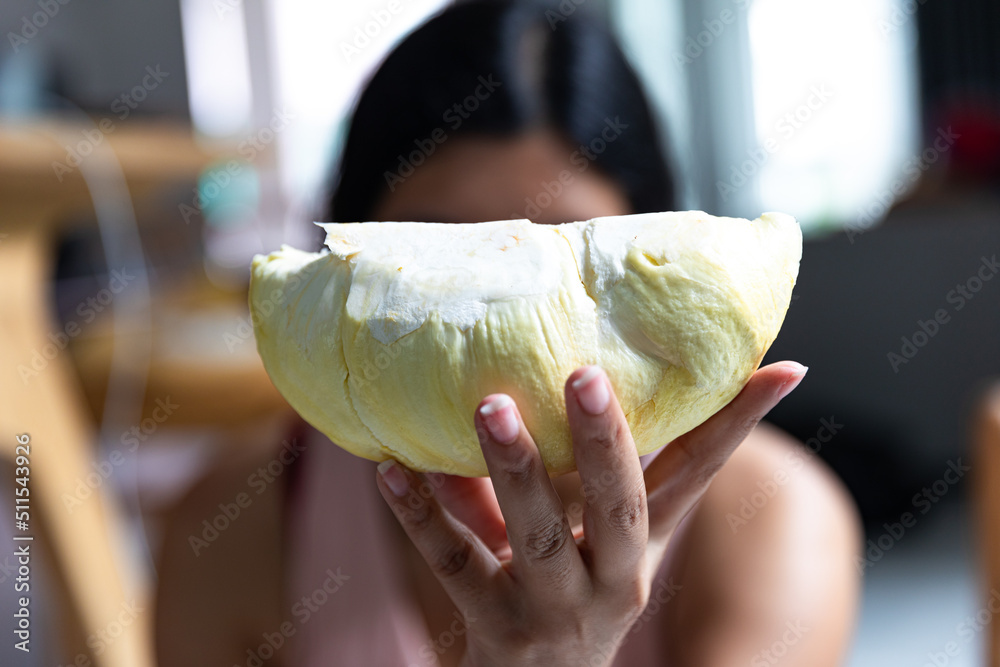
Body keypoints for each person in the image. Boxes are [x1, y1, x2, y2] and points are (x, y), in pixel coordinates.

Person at [155, 2, 862, 665]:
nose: (499, 329)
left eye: (561, 259)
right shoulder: (229, 525)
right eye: (439, 254)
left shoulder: (774, 521)